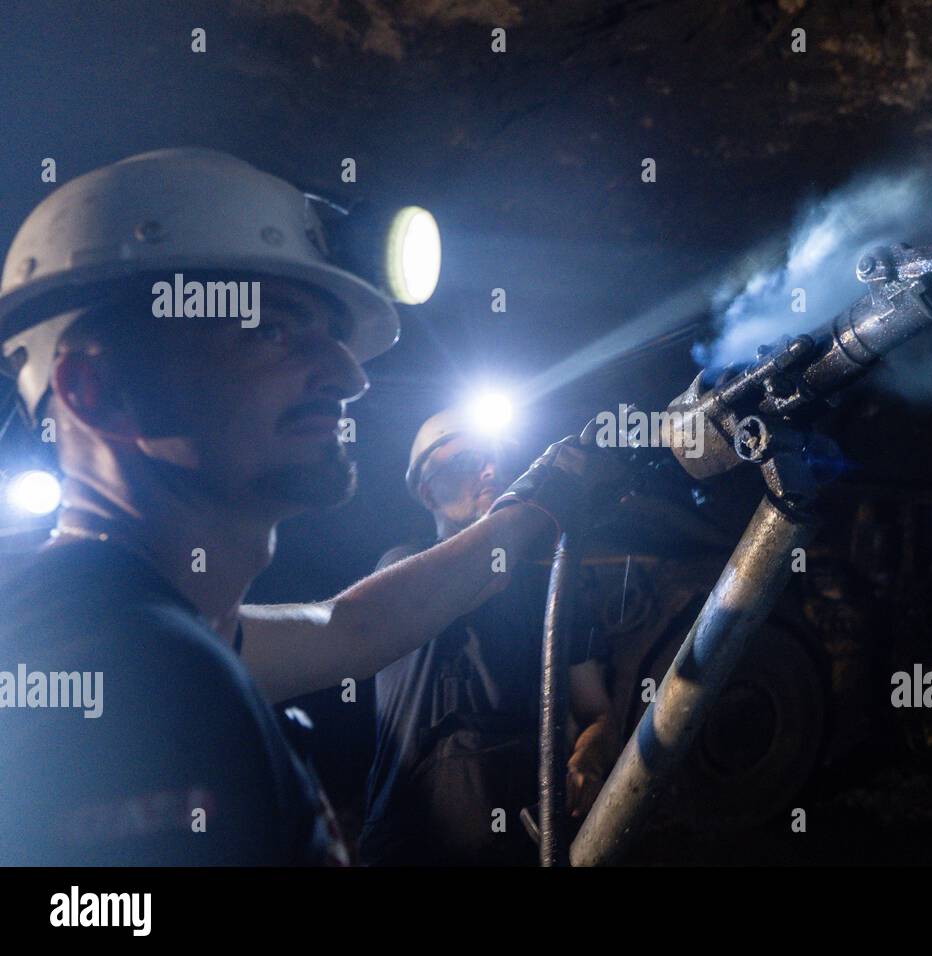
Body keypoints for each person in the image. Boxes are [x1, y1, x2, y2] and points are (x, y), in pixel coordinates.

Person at [0, 148, 614, 865]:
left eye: (333, 337)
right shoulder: (109, 666)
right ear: (96, 388)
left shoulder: (142, 632)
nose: (349, 376)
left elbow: (350, 627)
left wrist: (533, 505)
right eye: (271, 330)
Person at [360, 409, 621, 865]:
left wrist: (586, 763)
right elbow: (478, 572)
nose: (488, 471)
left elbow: (597, 711)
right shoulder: (400, 569)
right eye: (464, 463)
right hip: (412, 842)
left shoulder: (552, 592)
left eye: (491, 459)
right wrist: (542, 499)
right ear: (426, 491)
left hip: (522, 840)